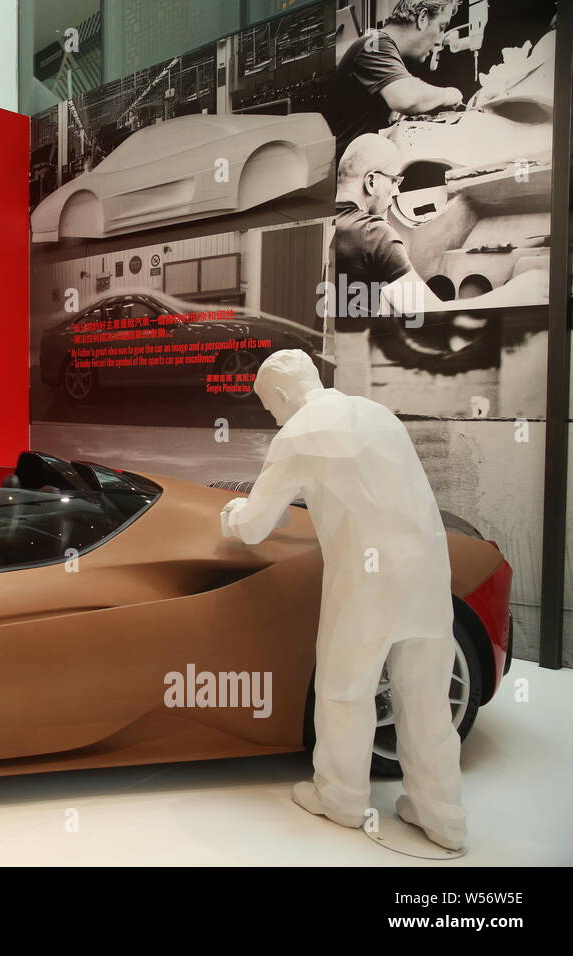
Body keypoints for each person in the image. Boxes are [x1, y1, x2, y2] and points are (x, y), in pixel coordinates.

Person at [220, 350, 467, 851]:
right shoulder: (378, 415)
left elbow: (253, 526)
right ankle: (442, 815)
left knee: (344, 689)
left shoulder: (298, 434)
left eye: (270, 407)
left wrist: (232, 511)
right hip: (427, 572)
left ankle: (342, 797)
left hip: (366, 580)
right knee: (425, 698)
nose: (274, 417)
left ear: (284, 395)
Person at [334, 133, 548, 321]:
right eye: (395, 181)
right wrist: (513, 294)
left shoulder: (324, 226)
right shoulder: (374, 233)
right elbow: (430, 316)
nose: (397, 192)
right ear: (371, 182)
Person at [328, 0, 463, 160]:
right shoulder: (374, 45)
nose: (440, 40)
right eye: (441, 27)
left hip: (363, 166)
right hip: (350, 173)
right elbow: (406, 99)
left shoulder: (382, 47)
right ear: (423, 18)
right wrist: (448, 94)